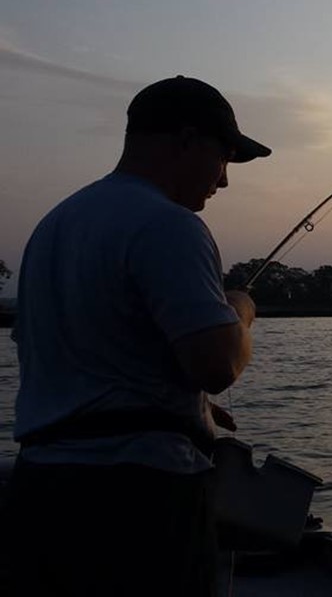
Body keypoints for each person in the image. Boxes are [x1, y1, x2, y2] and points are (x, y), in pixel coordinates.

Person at [1, 76, 270, 596]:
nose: (224, 181)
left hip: (39, 492)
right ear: (187, 140)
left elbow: (83, 361)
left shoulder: (57, 224)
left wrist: (176, 406)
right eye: (225, 158)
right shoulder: (168, 224)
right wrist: (241, 309)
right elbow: (217, 367)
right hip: (137, 498)